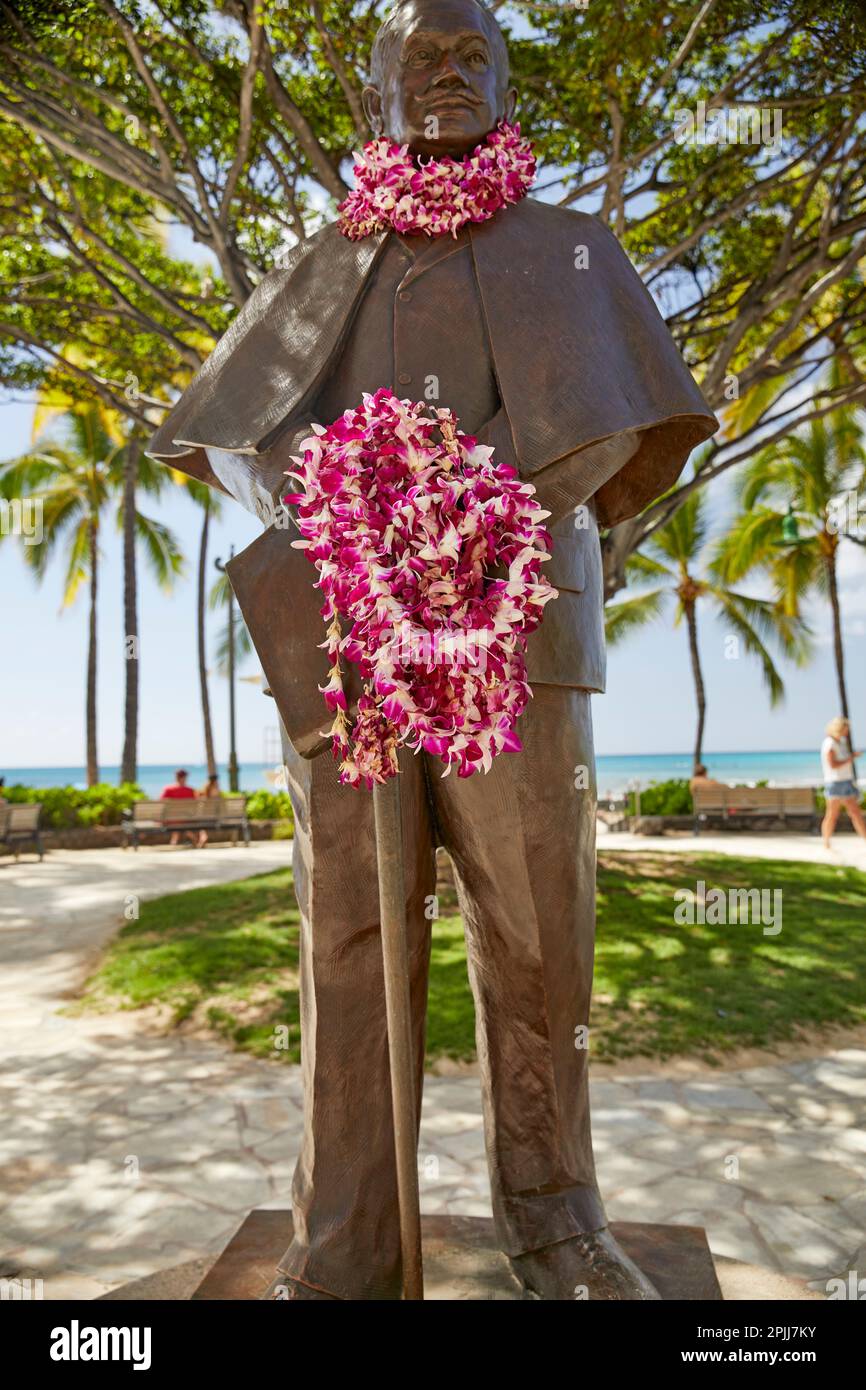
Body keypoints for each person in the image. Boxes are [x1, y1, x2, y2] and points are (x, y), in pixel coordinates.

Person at [147, 0, 717, 1300]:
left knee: (536, 939)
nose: (448, 77)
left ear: (510, 86)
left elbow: (616, 428)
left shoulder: (575, 253)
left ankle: (557, 1221)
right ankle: (340, 1238)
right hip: (350, 648)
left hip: (519, 646)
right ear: (378, 95)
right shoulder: (314, 264)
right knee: (345, 940)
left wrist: (462, 505)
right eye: (423, 59)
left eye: (474, 57)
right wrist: (351, 490)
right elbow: (235, 436)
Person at [821, 717, 866, 850]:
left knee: (855, 814)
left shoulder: (840, 742)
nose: (847, 732)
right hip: (835, 783)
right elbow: (833, 765)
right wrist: (851, 758)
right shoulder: (830, 743)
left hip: (846, 782)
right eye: (846, 729)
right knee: (832, 815)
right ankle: (826, 842)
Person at [160, 769, 197, 847]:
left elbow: (162, 802)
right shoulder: (190, 790)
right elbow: (194, 805)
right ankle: (194, 839)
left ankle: (174, 842)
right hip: (186, 818)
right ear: (185, 777)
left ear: (176, 777)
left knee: (176, 820)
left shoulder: (168, 789)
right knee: (181, 821)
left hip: (172, 820)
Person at [197, 775, 221, 848]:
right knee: (202, 821)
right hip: (214, 818)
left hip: (205, 819)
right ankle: (202, 838)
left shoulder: (205, 791)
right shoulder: (216, 791)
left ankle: (203, 837)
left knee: (200, 823)